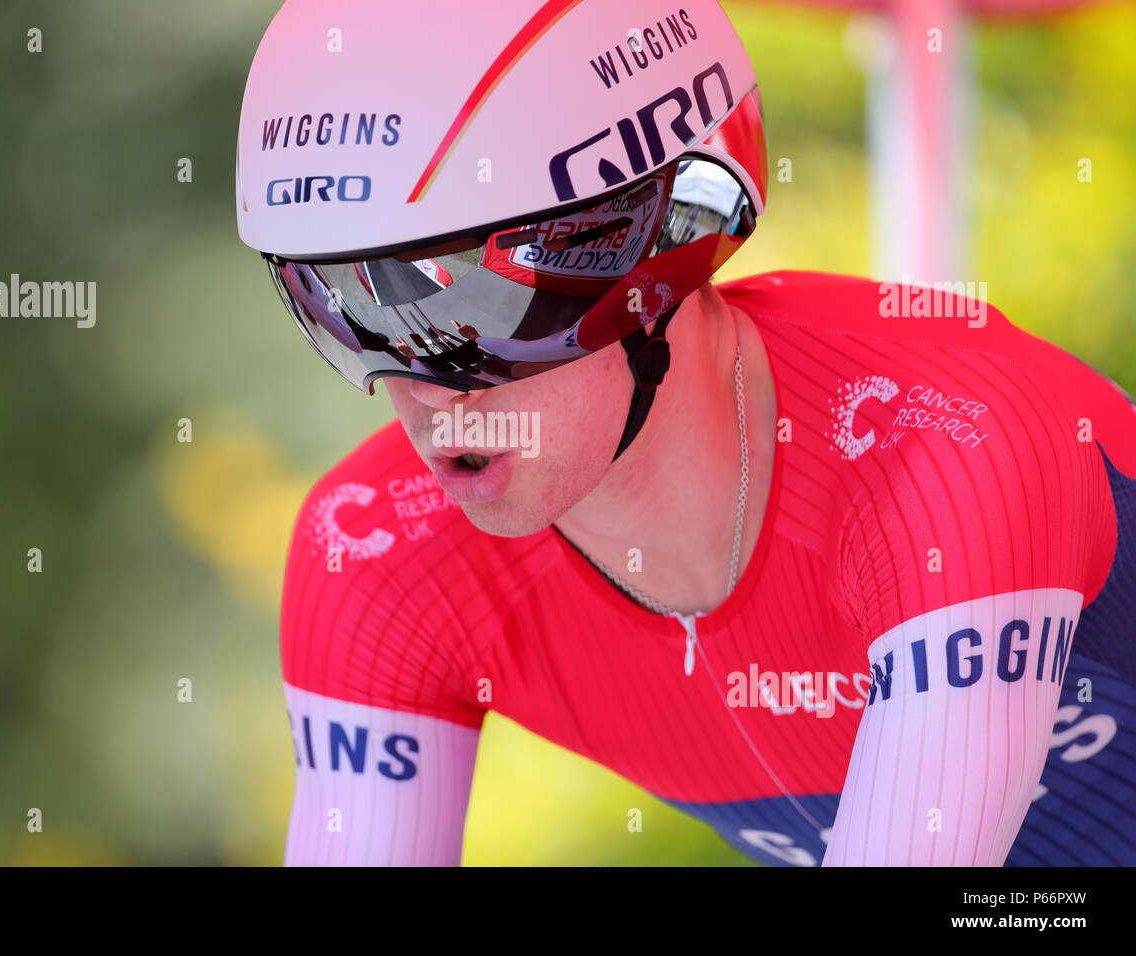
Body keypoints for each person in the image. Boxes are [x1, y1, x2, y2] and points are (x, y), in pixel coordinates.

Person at [235, 0, 1136, 866]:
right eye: (343, 310)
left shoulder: (948, 442)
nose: (427, 391)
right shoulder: (373, 544)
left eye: (479, 306)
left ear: (662, 248)